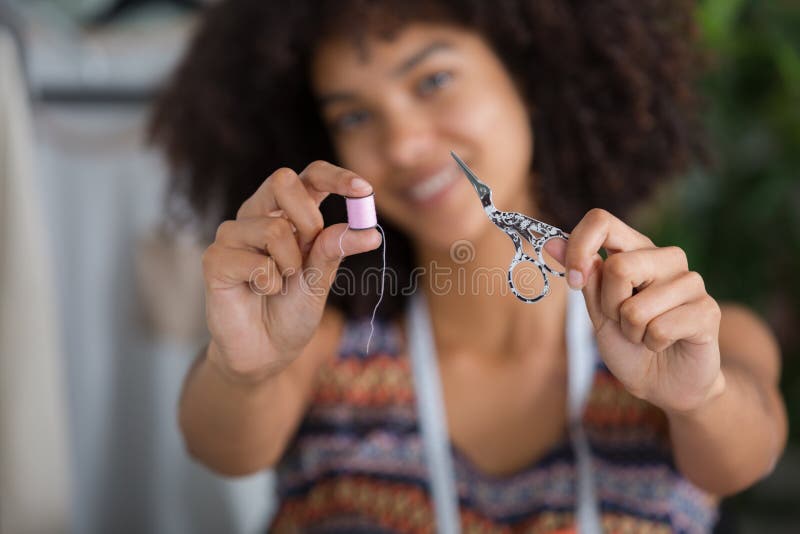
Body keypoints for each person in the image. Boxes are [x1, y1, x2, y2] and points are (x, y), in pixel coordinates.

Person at [150, 0, 788, 532]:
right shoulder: (324, 349)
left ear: (531, 79)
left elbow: (743, 458)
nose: (400, 144)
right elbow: (221, 450)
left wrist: (700, 398)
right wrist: (241, 371)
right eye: (354, 115)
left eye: (432, 81)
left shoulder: (691, 343)